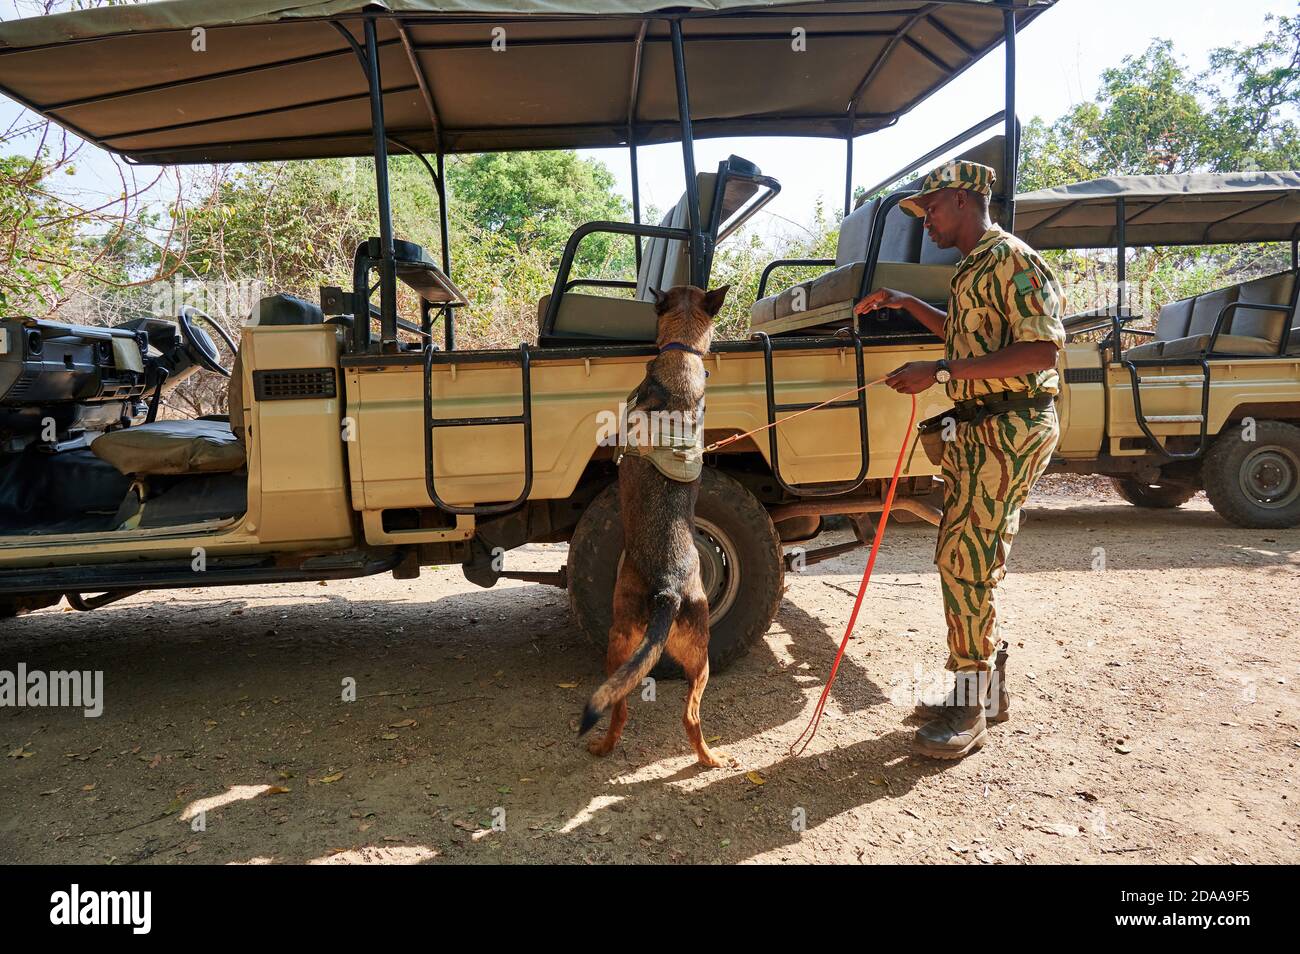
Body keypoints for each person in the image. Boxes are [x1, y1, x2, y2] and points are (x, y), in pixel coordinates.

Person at [853, 159, 1065, 760]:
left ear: (967, 201)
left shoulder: (1013, 259)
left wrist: (941, 372)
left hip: (1011, 427)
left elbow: (1042, 350)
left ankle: (969, 702)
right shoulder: (973, 267)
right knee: (967, 552)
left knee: (966, 557)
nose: (927, 223)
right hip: (980, 428)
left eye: (933, 210)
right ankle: (984, 688)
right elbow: (967, 336)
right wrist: (905, 302)